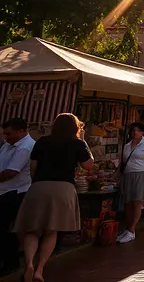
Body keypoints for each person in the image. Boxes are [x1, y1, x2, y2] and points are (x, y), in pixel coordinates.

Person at [15, 114, 93, 282]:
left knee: (32, 230)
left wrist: (37, 183)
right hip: (63, 188)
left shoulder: (42, 142)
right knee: (51, 231)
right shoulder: (77, 143)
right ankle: (40, 269)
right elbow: (88, 165)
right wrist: (84, 142)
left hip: (39, 187)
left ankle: (29, 264)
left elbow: (33, 167)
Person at [0, 118, 34, 276]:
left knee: (7, 227)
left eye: (9, 133)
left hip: (15, 193)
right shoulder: (8, 145)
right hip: (4, 191)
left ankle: (11, 262)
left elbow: (11, 172)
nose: (6, 137)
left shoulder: (26, 147)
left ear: (21, 131)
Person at [119, 122, 144, 243]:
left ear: (142, 132)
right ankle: (129, 228)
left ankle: (132, 229)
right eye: (133, 130)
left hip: (141, 174)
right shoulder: (127, 145)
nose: (135, 133)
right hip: (128, 175)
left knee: (137, 201)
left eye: (138, 130)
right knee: (128, 202)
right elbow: (123, 162)